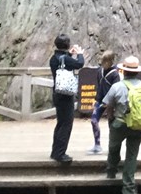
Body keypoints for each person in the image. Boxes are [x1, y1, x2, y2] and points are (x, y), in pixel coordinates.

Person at [101, 55, 141, 194]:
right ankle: (128, 191)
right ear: (137, 71)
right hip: (138, 125)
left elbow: (108, 105)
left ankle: (111, 172)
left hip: (120, 123)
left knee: (114, 148)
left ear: (123, 71)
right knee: (131, 156)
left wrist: (110, 119)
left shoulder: (117, 86)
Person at [49, 34, 84, 165]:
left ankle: (55, 151)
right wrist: (79, 53)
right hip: (66, 95)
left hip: (57, 93)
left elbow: (65, 62)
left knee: (60, 123)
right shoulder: (65, 59)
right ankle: (60, 154)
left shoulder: (54, 58)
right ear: (68, 45)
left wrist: (69, 54)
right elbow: (79, 64)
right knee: (66, 124)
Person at [88, 49, 120, 155]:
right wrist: (96, 100)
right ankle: (97, 145)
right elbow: (99, 86)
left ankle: (113, 147)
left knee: (112, 124)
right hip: (101, 100)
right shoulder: (100, 71)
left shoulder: (115, 74)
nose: (104, 64)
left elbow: (116, 89)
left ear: (110, 61)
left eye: (106, 62)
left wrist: (111, 103)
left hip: (111, 102)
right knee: (94, 120)